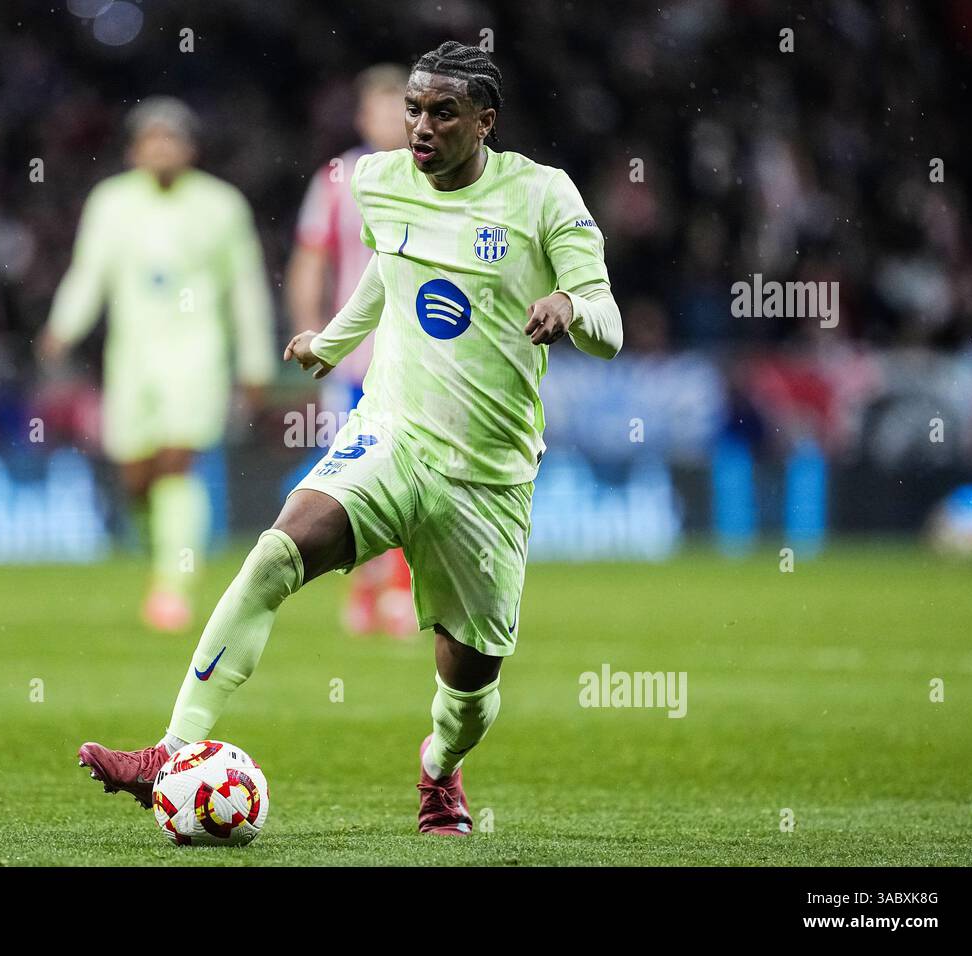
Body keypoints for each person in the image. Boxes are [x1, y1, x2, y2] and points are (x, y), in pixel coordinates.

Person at [78, 41, 622, 835]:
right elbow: (386, 266)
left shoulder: (542, 196)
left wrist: (570, 309)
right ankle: (174, 747)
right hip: (393, 432)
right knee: (275, 553)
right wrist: (333, 343)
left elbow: (606, 320)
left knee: (469, 686)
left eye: (442, 112)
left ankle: (439, 770)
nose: (420, 126)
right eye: (413, 108)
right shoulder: (376, 181)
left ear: (485, 121)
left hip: (489, 475)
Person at [37, 97, 275, 633]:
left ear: (189, 148)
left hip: (198, 355)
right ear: (134, 149)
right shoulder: (112, 202)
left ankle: (173, 584)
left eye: (172, 139)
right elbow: (88, 273)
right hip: (133, 358)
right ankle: (162, 553)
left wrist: (255, 362)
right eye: (152, 139)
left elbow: (246, 291)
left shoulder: (221, 205)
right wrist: (61, 328)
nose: (162, 148)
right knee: (137, 475)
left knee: (178, 460)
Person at [285, 64, 418, 637]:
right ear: (363, 116)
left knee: (417, 473)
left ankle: (399, 589)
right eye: (381, 108)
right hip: (357, 357)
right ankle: (371, 587)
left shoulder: (437, 173)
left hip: (423, 356)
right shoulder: (338, 177)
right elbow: (310, 258)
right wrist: (312, 330)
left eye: (402, 108)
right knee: (358, 477)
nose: (392, 119)